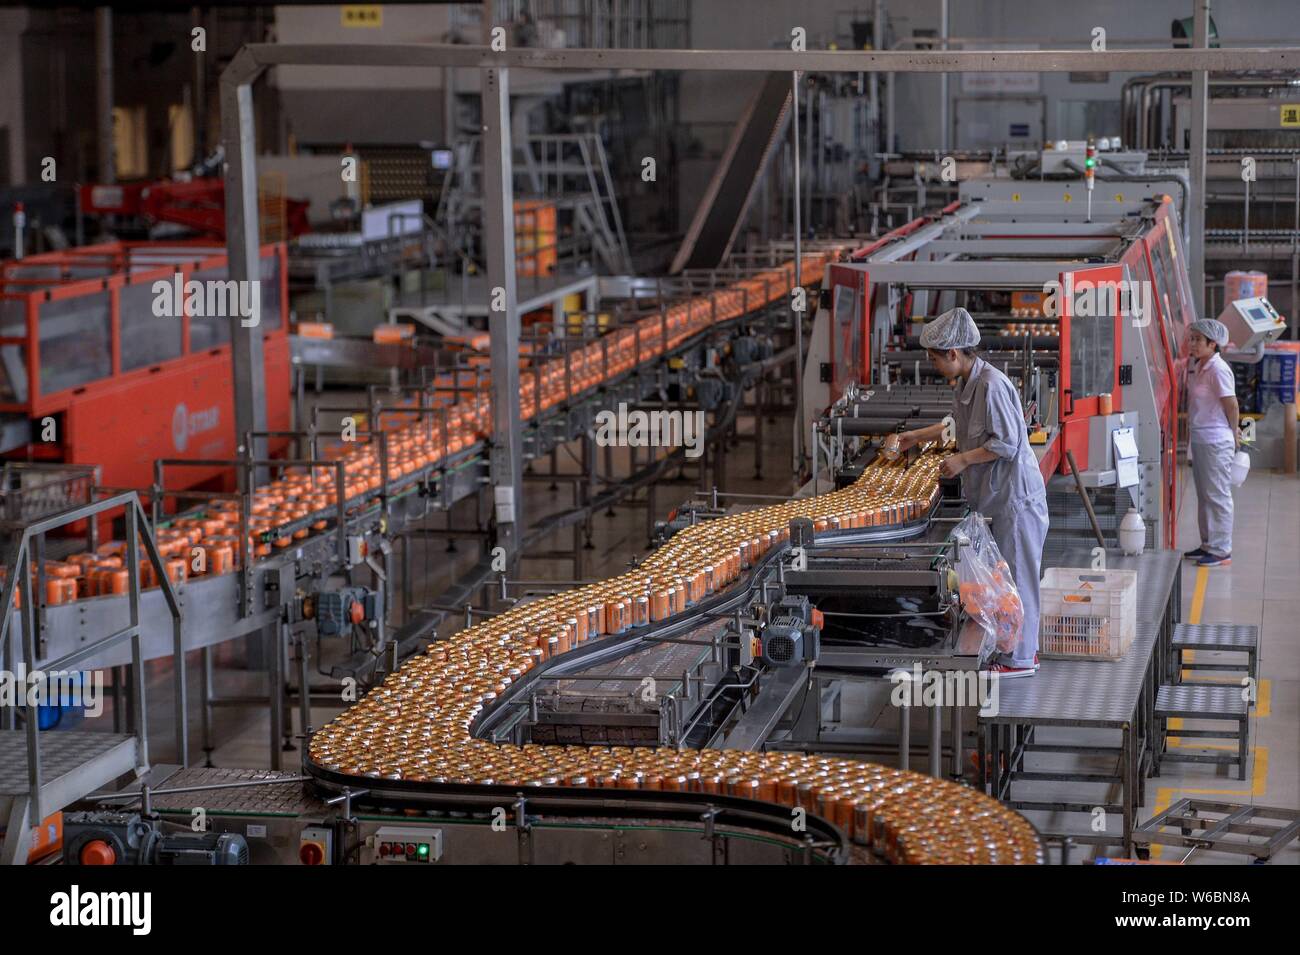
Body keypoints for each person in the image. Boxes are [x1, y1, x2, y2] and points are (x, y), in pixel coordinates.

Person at [897, 307, 1049, 677]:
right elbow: (956, 425)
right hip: (996, 497)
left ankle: (1021, 660)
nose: (933, 365)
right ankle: (1014, 648)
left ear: (953, 353)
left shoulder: (992, 385)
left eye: (935, 358)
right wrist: (915, 436)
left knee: (1020, 579)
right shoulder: (968, 384)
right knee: (1006, 579)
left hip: (1017, 499)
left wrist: (963, 460)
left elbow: (1008, 444)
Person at [1184, 318, 1239, 567]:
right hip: (1201, 438)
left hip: (1216, 440)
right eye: (1191, 338)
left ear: (1212, 344)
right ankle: (1208, 544)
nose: (1192, 343)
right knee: (1205, 495)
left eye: (1197, 340)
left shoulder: (1218, 369)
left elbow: (1232, 404)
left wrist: (1235, 434)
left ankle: (1221, 550)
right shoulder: (1199, 366)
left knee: (1217, 495)